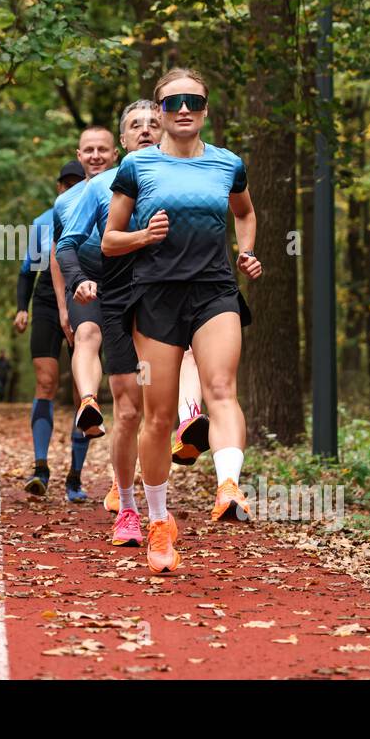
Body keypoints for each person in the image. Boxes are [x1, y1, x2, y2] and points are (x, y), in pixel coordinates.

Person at [102, 67, 262, 573]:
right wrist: (143, 238)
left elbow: (244, 212)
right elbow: (110, 240)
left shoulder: (228, 164)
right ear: (163, 113)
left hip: (214, 291)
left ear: (206, 110)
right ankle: (157, 519)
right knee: (158, 414)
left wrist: (247, 251)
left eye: (193, 100)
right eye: (173, 103)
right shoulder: (136, 166)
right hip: (155, 297)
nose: (184, 109)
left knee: (221, 389)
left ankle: (229, 485)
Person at [59, 100, 161, 541]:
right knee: (92, 339)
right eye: (135, 126)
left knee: (155, 403)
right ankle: (87, 400)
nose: (145, 131)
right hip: (101, 288)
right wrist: (74, 286)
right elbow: (62, 246)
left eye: (152, 125)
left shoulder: (184, 175)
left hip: (156, 294)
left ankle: (154, 501)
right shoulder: (81, 195)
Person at [49, 126, 118, 501]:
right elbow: (60, 254)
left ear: (114, 154)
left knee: (130, 389)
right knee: (87, 338)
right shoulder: (65, 202)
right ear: (79, 155)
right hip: (84, 284)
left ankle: (119, 480)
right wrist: (62, 305)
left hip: (129, 285)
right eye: (88, 150)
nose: (95, 156)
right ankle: (89, 401)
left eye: (102, 150)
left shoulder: (128, 186)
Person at [13, 162, 90, 495]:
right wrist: (21, 308)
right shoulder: (42, 222)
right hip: (46, 297)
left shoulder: (98, 208)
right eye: (67, 183)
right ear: (59, 187)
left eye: (78, 183)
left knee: (81, 389)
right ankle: (40, 468)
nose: (72, 188)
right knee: (45, 379)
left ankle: (75, 475)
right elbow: (27, 271)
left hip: (86, 294)